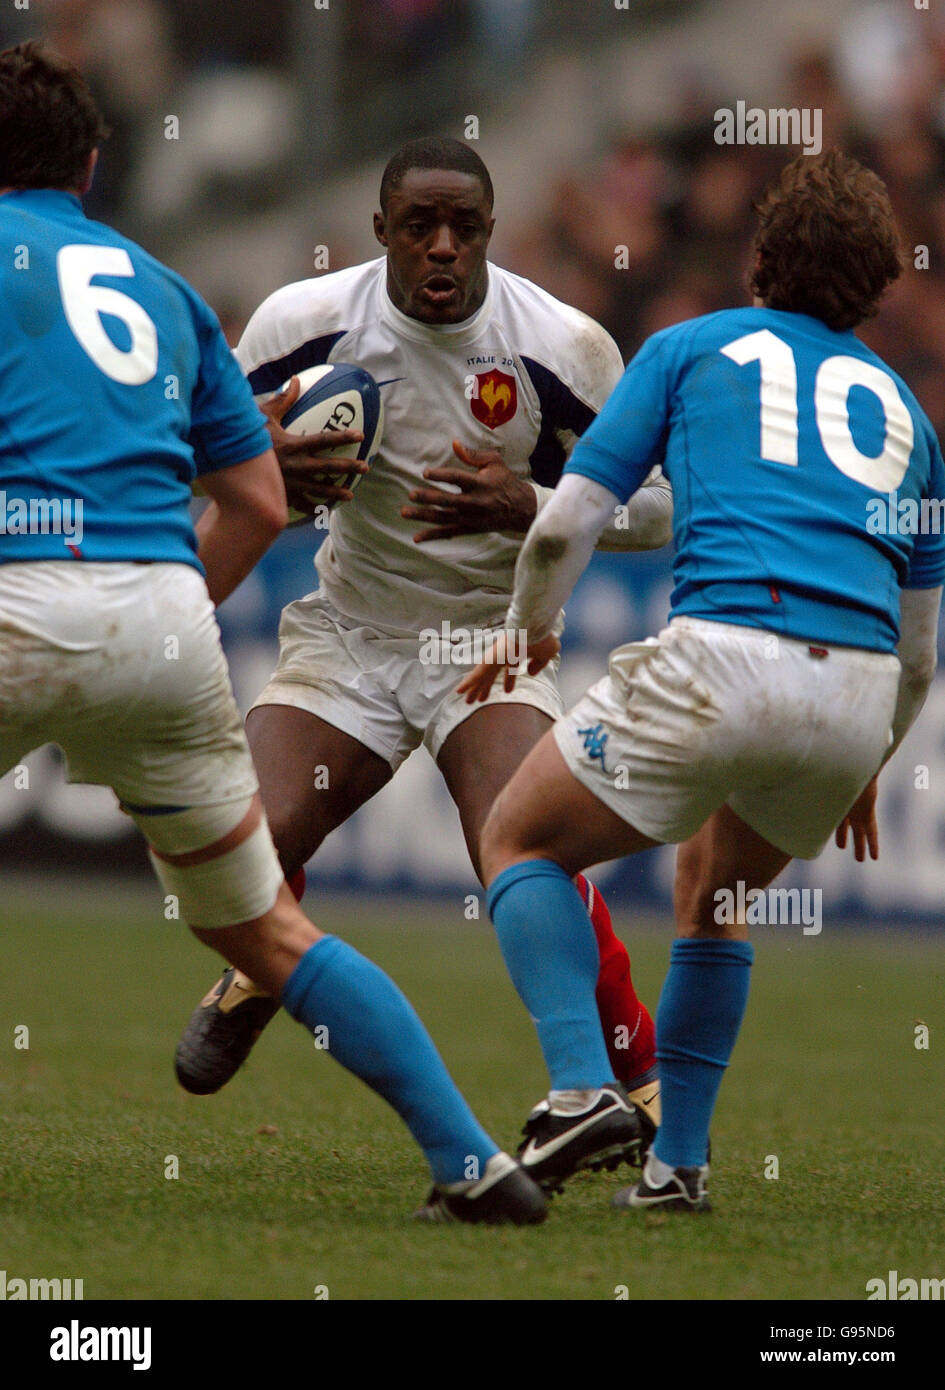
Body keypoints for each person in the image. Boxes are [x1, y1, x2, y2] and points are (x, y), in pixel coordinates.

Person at [0, 40, 548, 1226]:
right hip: (157, 613)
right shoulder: (164, 287)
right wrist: (144, 622)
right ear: (92, 166)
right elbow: (257, 501)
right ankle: (471, 1160)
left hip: (15, 593)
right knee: (268, 930)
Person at [174, 136, 673, 1191]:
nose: (442, 248)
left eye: (464, 228)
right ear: (380, 231)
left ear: (491, 231)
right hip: (351, 630)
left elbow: (664, 505)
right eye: (418, 227)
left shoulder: (561, 345)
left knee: (518, 843)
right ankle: (257, 976)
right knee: (251, 843)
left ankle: (625, 1079)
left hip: (487, 637)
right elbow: (201, 448)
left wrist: (532, 503)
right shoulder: (299, 325)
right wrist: (269, 464)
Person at [459, 149, 943, 1211]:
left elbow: (569, 519)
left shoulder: (690, 346)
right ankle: (678, 1165)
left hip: (728, 650)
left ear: (759, 256)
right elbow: (918, 649)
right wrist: (873, 758)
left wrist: (527, 631)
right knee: (713, 895)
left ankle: (584, 1087)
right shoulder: (913, 417)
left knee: (516, 837)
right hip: (855, 694)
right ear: (875, 290)